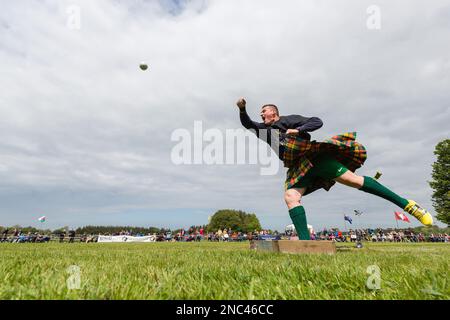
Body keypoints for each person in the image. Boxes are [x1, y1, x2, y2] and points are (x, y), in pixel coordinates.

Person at [236, 98, 433, 240]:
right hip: (297, 167)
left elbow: (317, 121)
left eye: (264, 111)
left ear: (274, 112)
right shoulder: (264, 130)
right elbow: (247, 124)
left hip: (315, 157)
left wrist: (299, 129)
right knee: (291, 197)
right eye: (260, 113)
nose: (261, 115)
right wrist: (243, 109)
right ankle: (306, 244)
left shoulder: (289, 120)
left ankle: (408, 205)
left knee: (354, 181)